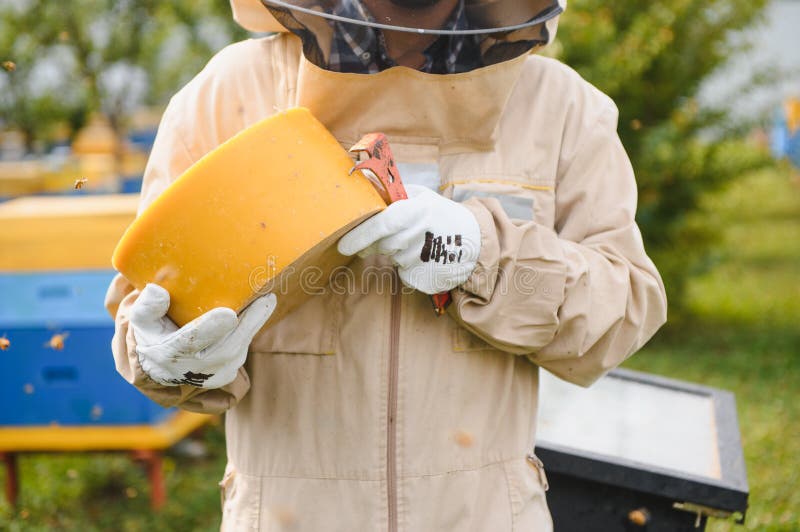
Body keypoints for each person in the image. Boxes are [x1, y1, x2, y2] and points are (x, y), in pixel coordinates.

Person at [105, 0, 668, 529]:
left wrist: (483, 256)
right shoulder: (227, 96)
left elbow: (622, 311)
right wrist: (173, 357)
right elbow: (146, 312)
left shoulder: (561, 108)